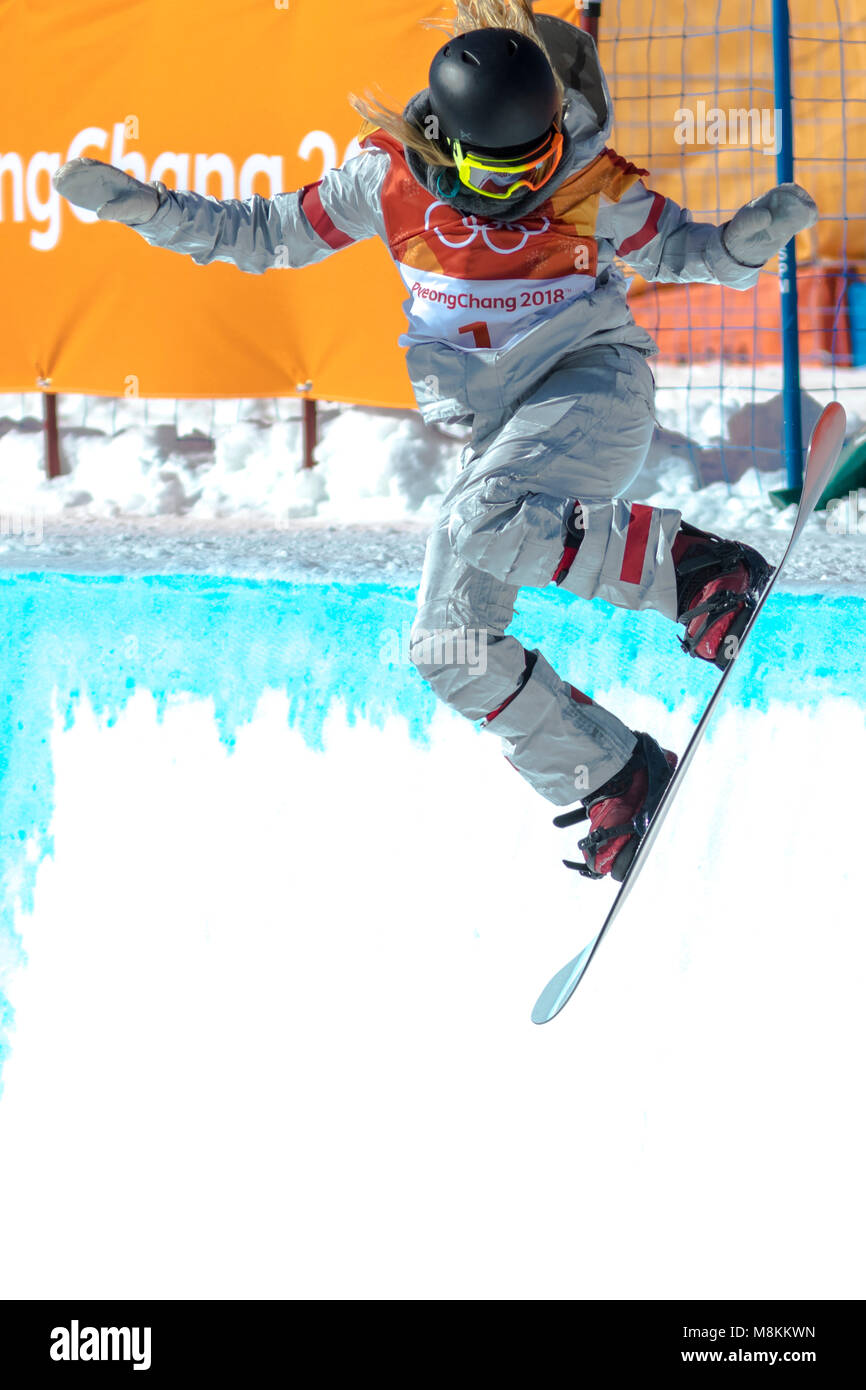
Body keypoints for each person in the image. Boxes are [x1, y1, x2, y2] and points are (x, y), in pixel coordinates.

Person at [53, 1, 817, 881]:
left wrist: (745, 244)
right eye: (494, 181)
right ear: (448, 146)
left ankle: (701, 575)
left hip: (593, 390)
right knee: (447, 646)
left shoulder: (588, 182)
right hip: (504, 436)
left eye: (532, 169)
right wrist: (140, 206)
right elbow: (259, 234)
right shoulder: (383, 180)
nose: (516, 197)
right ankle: (614, 773)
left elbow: (689, 253)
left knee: (485, 519)